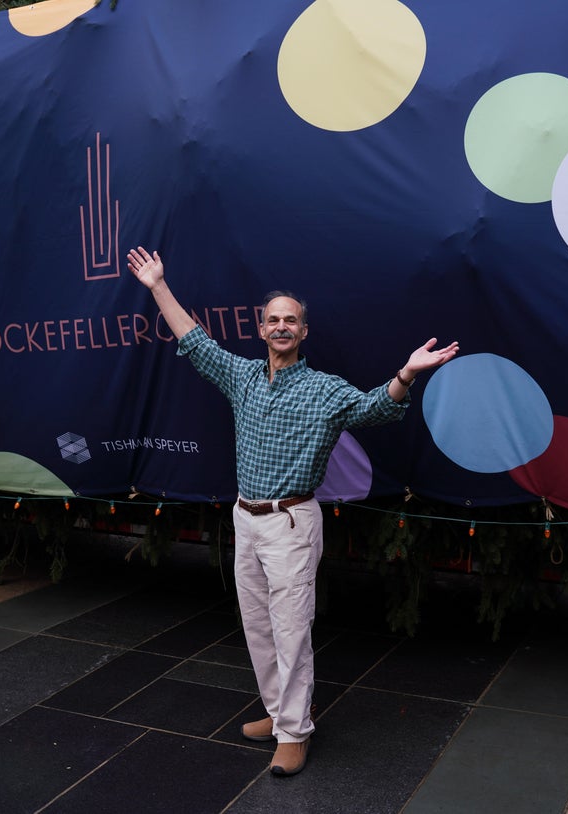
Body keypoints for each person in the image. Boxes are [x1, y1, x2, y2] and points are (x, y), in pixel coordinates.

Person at [126, 245, 459, 777]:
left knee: (290, 630)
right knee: (258, 625)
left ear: (304, 332)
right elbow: (192, 339)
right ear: (261, 331)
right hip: (245, 517)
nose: (281, 327)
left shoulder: (324, 390)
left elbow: (377, 406)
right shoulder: (242, 378)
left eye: (291, 321)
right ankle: (279, 712)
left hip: (291, 524)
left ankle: (295, 733)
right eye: (273, 320)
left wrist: (408, 372)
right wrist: (159, 285)